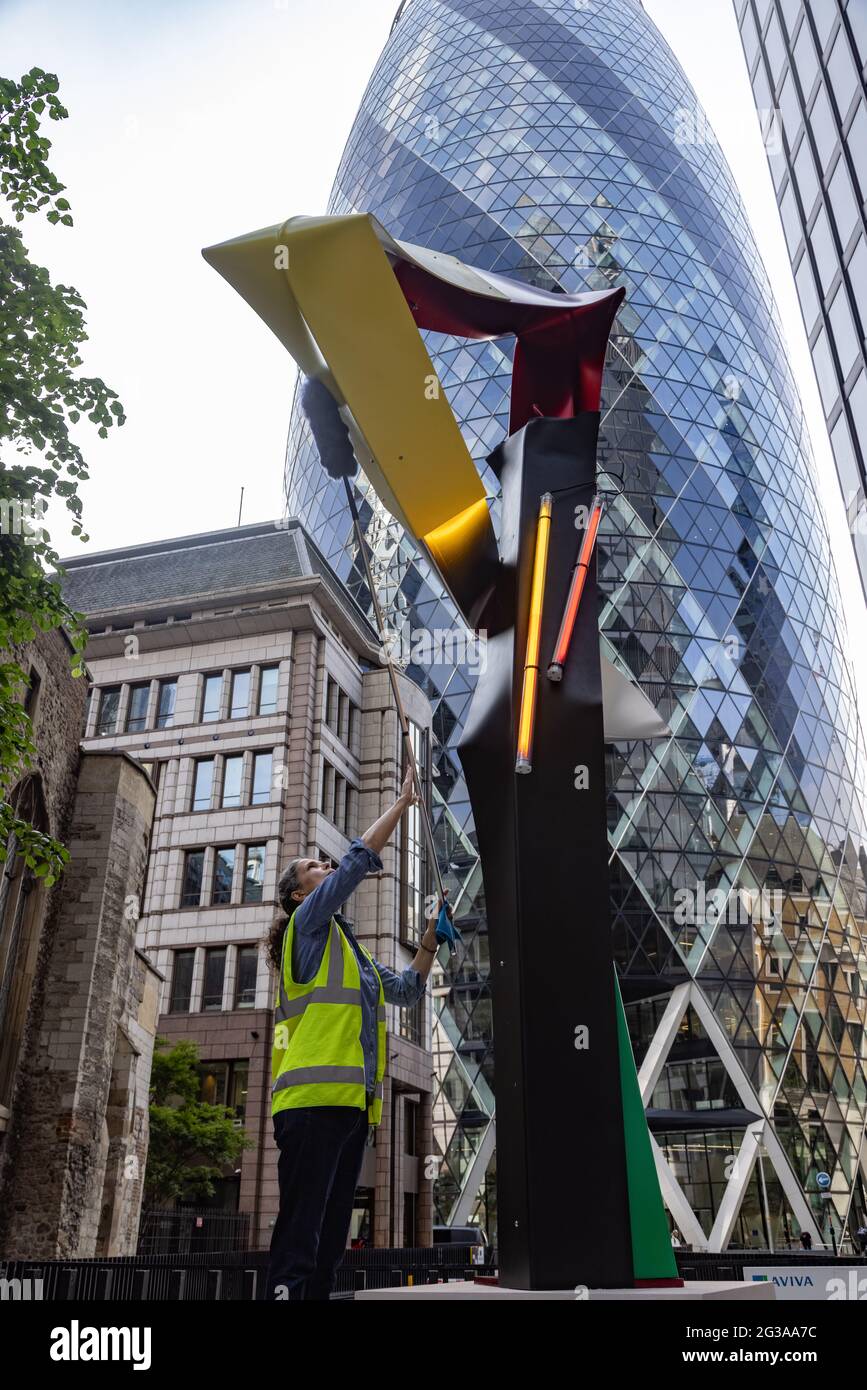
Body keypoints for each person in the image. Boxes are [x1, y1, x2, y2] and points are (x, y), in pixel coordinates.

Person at [264, 765, 444, 1300]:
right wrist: (401, 805)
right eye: (313, 867)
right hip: (310, 1100)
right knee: (303, 1225)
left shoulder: (354, 954)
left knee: (332, 1235)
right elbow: (355, 864)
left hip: (350, 1107)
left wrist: (431, 940)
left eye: (322, 862)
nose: (324, 866)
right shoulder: (308, 927)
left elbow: (407, 989)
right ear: (300, 896)